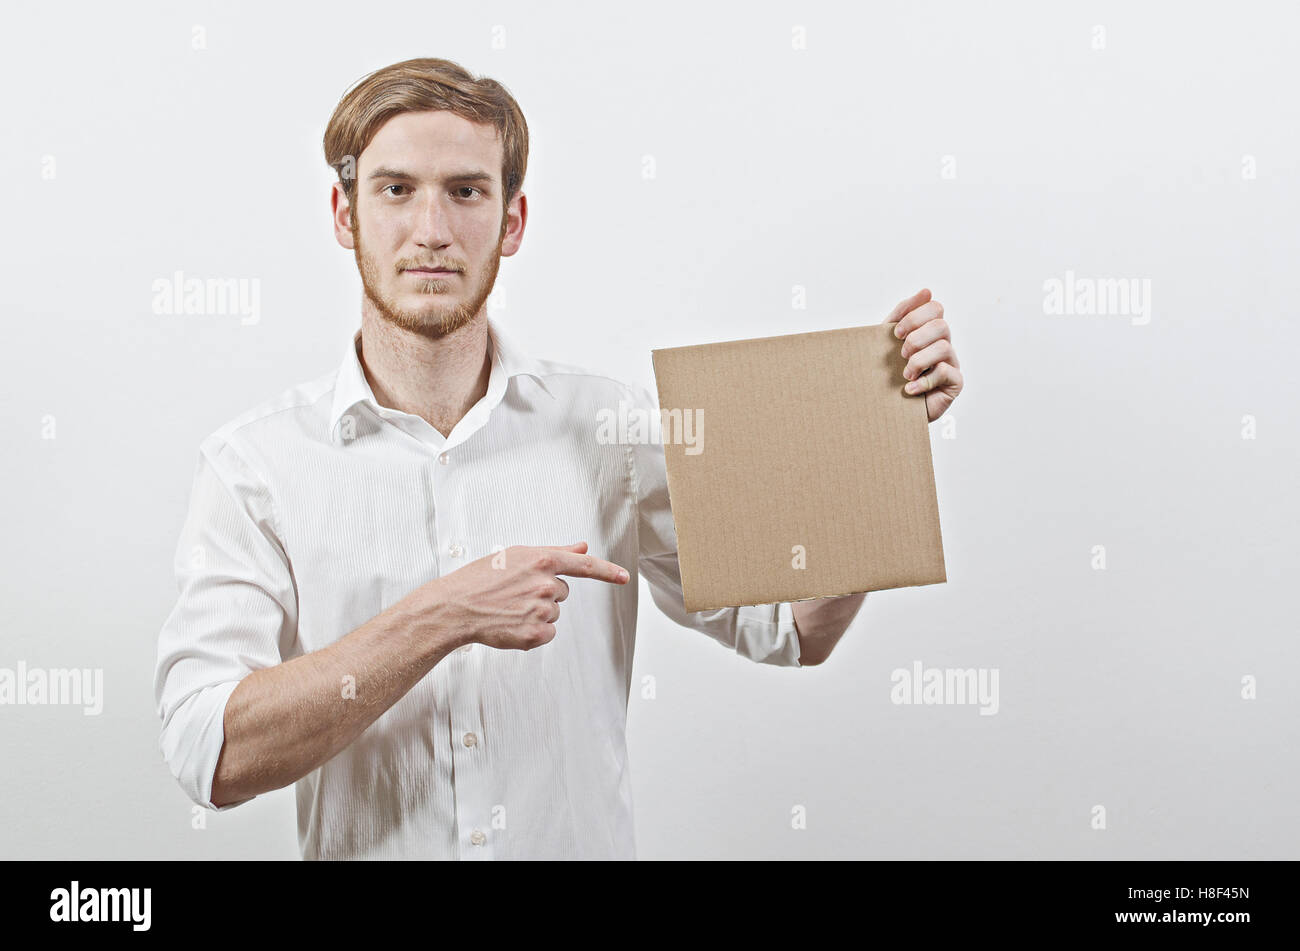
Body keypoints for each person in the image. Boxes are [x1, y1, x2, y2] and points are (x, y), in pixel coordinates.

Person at [153, 57, 963, 860]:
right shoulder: (253, 466)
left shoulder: (610, 427)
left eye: (466, 191)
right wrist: (445, 614)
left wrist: (883, 434)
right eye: (396, 189)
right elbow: (209, 750)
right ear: (344, 213)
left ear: (511, 221)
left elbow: (789, 628)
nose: (431, 229)